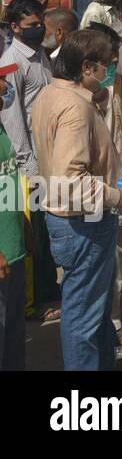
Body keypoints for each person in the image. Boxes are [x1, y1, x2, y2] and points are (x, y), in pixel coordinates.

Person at [31, 29, 122, 370]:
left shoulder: (52, 94)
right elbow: (69, 182)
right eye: (108, 64)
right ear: (88, 67)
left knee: (93, 307)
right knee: (83, 317)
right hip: (82, 224)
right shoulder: (74, 109)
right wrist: (119, 196)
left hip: (74, 222)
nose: (112, 70)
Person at [0, 0, 52, 180]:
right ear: (15, 27)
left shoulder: (40, 51)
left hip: (53, 144)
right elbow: (11, 118)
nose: (39, 29)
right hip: (36, 153)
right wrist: (30, 167)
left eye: (40, 24)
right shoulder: (10, 64)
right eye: (32, 26)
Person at [0, 61, 30, 369]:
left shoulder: (2, 127)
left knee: (13, 335)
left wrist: (25, 230)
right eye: (2, 80)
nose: (7, 86)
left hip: (14, 250)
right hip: (2, 257)